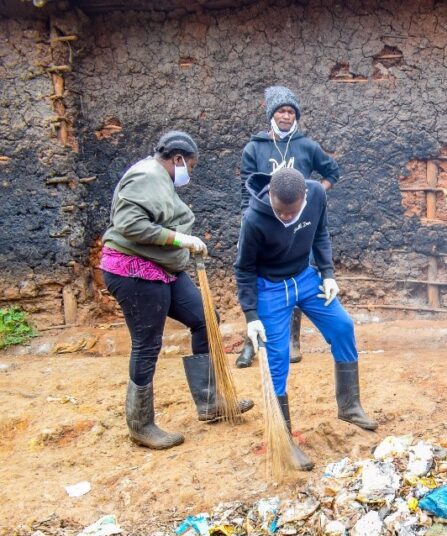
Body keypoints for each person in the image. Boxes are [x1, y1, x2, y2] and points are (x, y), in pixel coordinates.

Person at [100, 130, 252, 450]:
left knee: (204, 316)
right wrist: (179, 240)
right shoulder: (146, 176)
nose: (189, 174)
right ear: (178, 159)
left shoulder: (159, 178)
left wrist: (182, 247)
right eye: (191, 167)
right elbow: (129, 225)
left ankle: (210, 401)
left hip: (164, 269)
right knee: (147, 343)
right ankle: (141, 425)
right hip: (134, 270)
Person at [236, 167, 376, 470]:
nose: (286, 218)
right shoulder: (254, 219)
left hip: (305, 277)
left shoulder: (316, 196)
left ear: (304, 198)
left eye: (292, 211)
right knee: (277, 358)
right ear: (271, 196)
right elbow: (244, 269)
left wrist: (327, 274)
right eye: (281, 211)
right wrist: (251, 315)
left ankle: (349, 405)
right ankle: (283, 437)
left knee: (342, 326)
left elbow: (321, 234)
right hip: (270, 287)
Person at [235, 86, 341, 369]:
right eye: (281, 111)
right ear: (272, 114)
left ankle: (293, 340)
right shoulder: (255, 148)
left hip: (298, 227)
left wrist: (314, 196)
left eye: (290, 112)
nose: (285, 116)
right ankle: (252, 342)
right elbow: (246, 188)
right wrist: (259, 216)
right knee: (256, 280)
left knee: (297, 281)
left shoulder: (307, 146)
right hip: (264, 225)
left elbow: (332, 172)